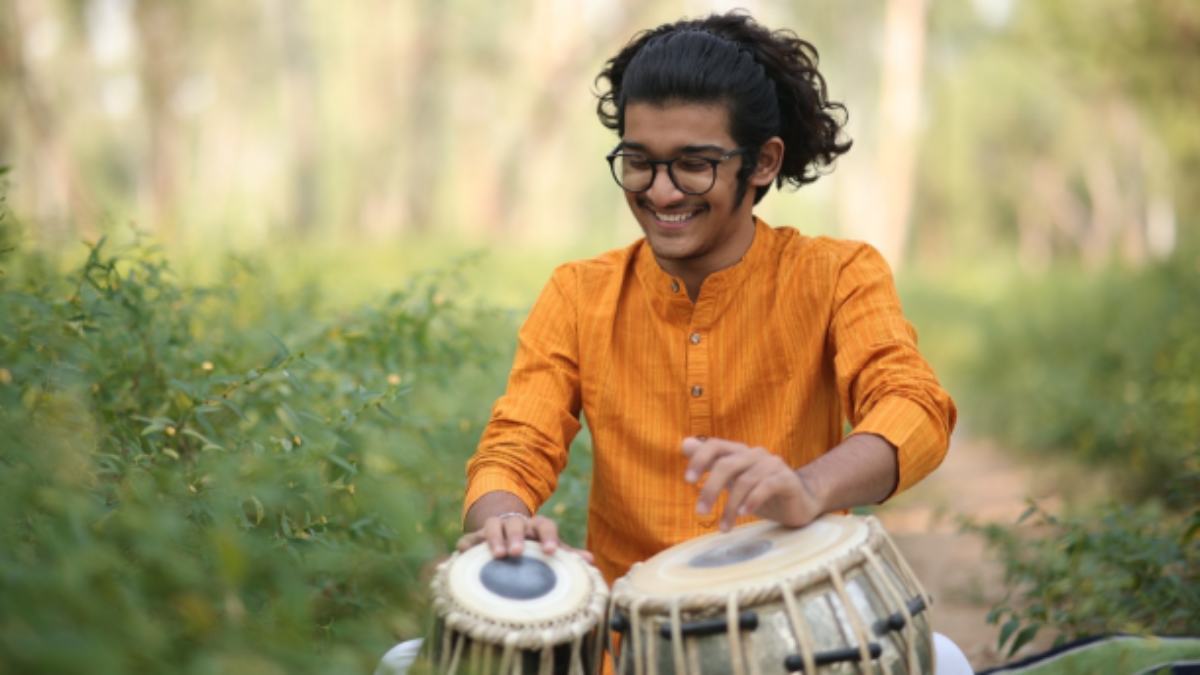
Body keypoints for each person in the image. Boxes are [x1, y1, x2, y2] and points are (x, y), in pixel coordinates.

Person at [457, 9, 955, 582]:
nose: (661, 192)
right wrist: (505, 519)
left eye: (694, 165)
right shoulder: (578, 294)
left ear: (763, 162)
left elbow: (914, 406)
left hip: (799, 640)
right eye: (639, 162)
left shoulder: (837, 274)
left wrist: (806, 488)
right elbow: (517, 443)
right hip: (629, 647)